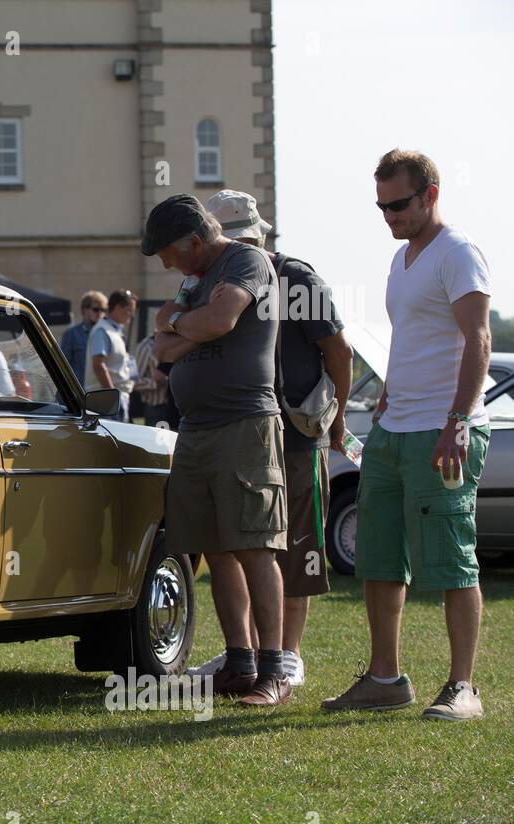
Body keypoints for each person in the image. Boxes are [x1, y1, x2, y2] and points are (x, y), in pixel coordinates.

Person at [323, 149, 492, 721]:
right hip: (393, 433)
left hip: (442, 432)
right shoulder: (402, 259)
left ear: (430, 195)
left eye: (398, 204)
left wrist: (458, 423)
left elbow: (479, 340)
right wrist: (387, 402)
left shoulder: (459, 252)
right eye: (382, 206)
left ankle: (463, 688)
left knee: (452, 560)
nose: (390, 215)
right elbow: (409, 340)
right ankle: (384, 679)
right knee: (377, 560)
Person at [187, 189, 354, 688]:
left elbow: (338, 351)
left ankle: (287, 656)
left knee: (293, 547)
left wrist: (336, 421)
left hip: (296, 436)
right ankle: (244, 653)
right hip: (236, 433)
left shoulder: (295, 277)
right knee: (235, 545)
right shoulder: (206, 282)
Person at [144, 193, 289, 706]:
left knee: (254, 546)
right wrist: (187, 325)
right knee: (218, 550)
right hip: (198, 429)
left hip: (244, 425)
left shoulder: (244, 259)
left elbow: (221, 320)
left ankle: (274, 671)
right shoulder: (195, 279)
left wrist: (182, 324)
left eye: (169, 253)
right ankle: (240, 662)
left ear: (195, 240)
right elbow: (159, 349)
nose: (166, 263)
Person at [85, 289, 139, 421]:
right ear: (118, 307)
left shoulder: (113, 331)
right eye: (129, 310)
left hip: (113, 398)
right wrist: (112, 397)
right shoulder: (102, 330)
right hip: (106, 401)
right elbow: (98, 364)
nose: (132, 315)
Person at [62, 291, 106, 385]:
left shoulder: (106, 334)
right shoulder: (72, 334)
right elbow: (63, 367)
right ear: (84, 310)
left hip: (99, 389)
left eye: (103, 310)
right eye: (95, 309)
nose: (100, 313)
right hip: (78, 391)